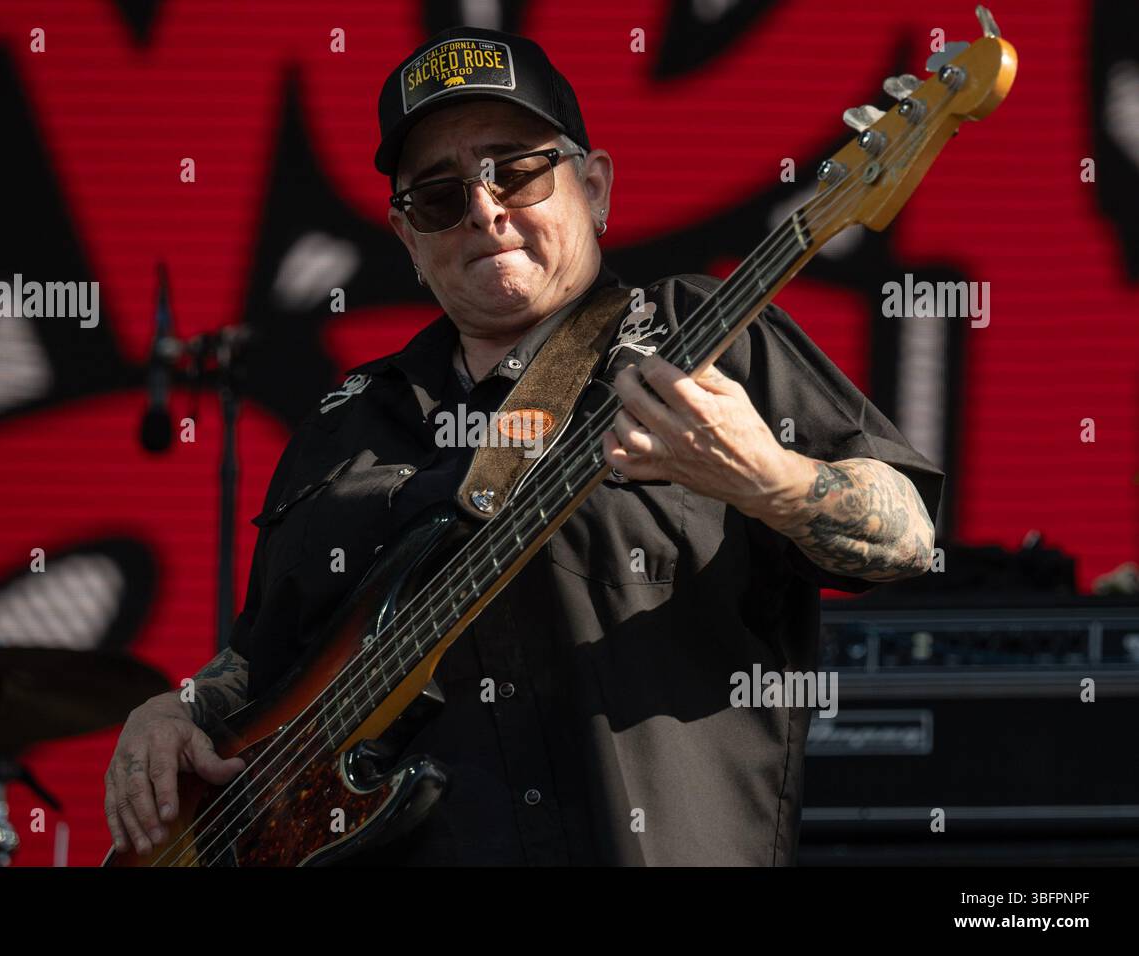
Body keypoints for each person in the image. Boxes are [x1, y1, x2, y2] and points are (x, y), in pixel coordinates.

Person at [104, 26, 943, 865]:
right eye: (438, 196)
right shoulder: (344, 424)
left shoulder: (699, 335)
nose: (483, 207)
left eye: (518, 169)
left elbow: (906, 536)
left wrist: (770, 479)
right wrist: (178, 711)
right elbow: (262, 666)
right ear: (407, 241)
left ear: (596, 187)